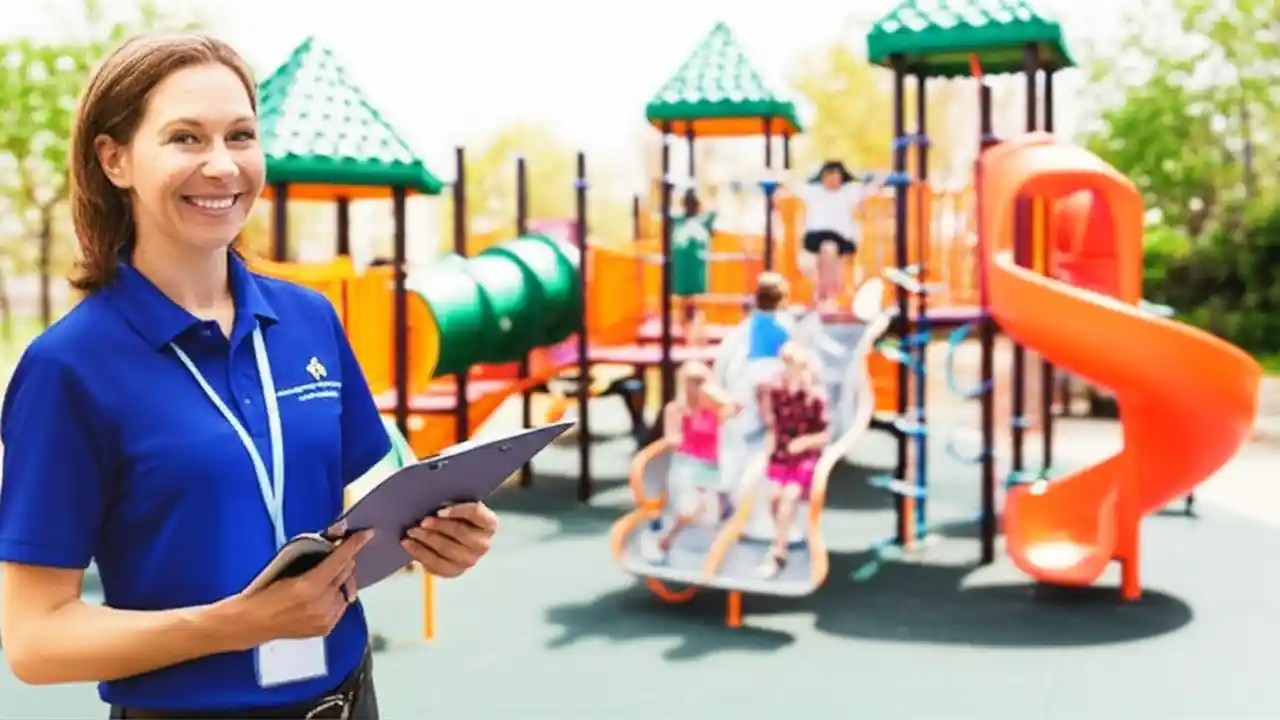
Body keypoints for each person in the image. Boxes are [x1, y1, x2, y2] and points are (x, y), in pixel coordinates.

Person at [0, 32, 499, 719]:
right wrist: (236, 624)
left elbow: (376, 491)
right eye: (185, 138)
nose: (222, 165)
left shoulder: (310, 319)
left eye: (240, 136)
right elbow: (35, 640)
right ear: (115, 160)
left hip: (352, 700)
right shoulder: (69, 368)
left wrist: (439, 534)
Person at [645, 362, 738, 562]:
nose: (698, 386)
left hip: (710, 466)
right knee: (692, 508)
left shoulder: (714, 409)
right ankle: (665, 536)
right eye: (693, 381)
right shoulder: (676, 409)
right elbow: (672, 439)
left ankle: (714, 544)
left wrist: (718, 397)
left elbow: (735, 409)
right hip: (687, 465)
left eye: (702, 381)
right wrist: (687, 432)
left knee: (710, 510)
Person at [756, 342, 830, 580]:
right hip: (782, 453)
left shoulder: (815, 397)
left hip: (804, 456)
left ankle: (778, 551)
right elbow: (769, 418)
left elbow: (825, 435)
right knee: (774, 497)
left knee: (788, 497)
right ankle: (785, 532)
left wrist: (806, 442)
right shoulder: (776, 391)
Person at [792, 161, 886, 310]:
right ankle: (826, 294)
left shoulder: (849, 191)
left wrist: (880, 176)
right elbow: (791, 185)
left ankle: (827, 296)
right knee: (818, 257)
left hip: (841, 238)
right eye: (829, 176)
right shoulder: (813, 191)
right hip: (815, 236)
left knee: (828, 249)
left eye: (836, 176)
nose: (832, 180)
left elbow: (871, 188)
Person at [670, 189, 715, 347]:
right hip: (690, 268)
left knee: (690, 305)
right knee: (691, 305)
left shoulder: (693, 221)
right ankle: (688, 338)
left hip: (689, 268)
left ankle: (690, 339)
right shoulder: (684, 221)